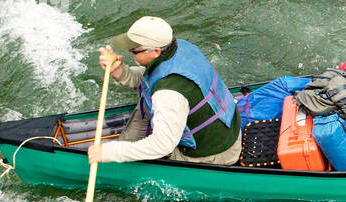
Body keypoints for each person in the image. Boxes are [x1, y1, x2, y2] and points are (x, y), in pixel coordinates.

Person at [90, 16, 242, 166]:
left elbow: (162, 145)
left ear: (155, 51)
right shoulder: (178, 47)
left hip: (214, 155)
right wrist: (120, 71)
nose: (129, 52)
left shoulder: (168, 94)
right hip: (227, 128)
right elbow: (151, 78)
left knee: (146, 166)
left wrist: (108, 153)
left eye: (134, 51)